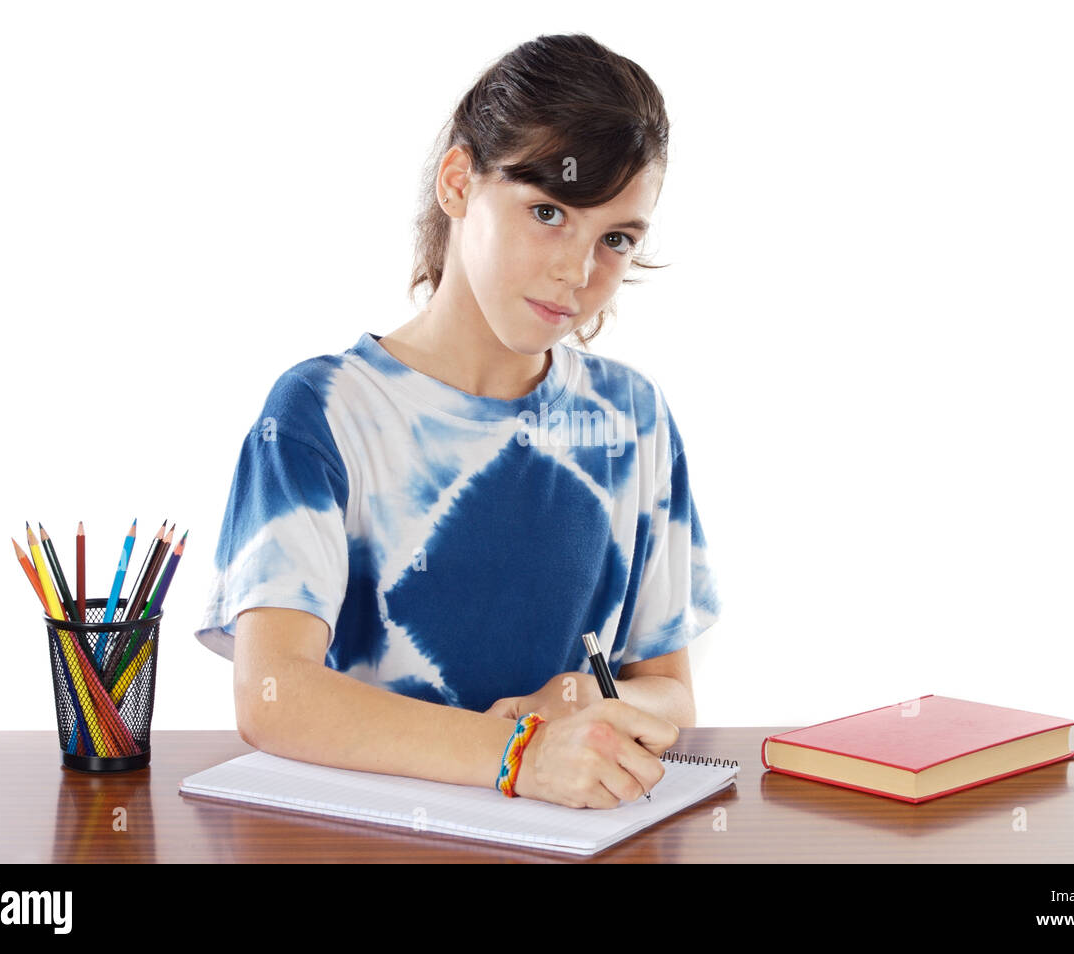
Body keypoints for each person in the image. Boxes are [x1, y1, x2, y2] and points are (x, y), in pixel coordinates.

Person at [195, 33, 721, 810]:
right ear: (457, 182)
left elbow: (669, 692)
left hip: (569, 841)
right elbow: (274, 695)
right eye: (549, 211)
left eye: (616, 238)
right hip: (364, 843)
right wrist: (519, 755)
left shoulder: (631, 418)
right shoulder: (323, 413)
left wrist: (582, 700)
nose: (578, 274)